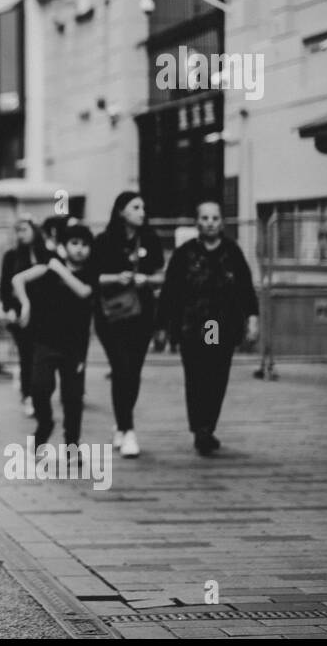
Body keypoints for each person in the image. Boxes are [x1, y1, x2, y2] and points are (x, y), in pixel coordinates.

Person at [156, 200, 259, 455]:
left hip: (222, 326)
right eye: (205, 218)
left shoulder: (232, 251)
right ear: (197, 222)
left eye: (215, 218)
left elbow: (246, 287)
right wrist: (161, 325)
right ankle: (200, 428)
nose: (210, 223)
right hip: (192, 326)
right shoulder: (185, 253)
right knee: (195, 377)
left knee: (217, 376)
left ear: (221, 222)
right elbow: (170, 290)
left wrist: (252, 318)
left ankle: (208, 426)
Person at [92, 191, 164, 459]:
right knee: (120, 367)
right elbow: (91, 276)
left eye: (143, 207)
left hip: (142, 313)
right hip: (110, 315)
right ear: (121, 211)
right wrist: (115, 278)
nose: (142, 211)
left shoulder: (150, 239)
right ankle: (128, 428)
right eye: (135, 207)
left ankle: (122, 424)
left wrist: (147, 278)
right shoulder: (104, 241)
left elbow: (161, 274)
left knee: (132, 371)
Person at [12, 224, 97, 446]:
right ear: (64, 246)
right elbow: (18, 279)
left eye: (85, 245)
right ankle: (45, 423)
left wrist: (60, 269)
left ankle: (72, 443)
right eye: (74, 243)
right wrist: (25, 304)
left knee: (72, 396)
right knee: (39, 388)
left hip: (75, 345)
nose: (79, 249)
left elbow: (84, 291)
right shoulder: (49, 268)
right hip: (45, 341)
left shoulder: (89, 272)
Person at [0, 218, 46, 416]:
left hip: (44, 312)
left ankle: (38, 393)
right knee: (27, 355)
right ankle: (28, 395)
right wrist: (9, 308)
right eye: (17, 230)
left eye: (24, 229)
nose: (21, 234)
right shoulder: (11, 256)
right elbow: (4, 285)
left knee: (41, 356)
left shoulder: (45, 254)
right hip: (21, 313)